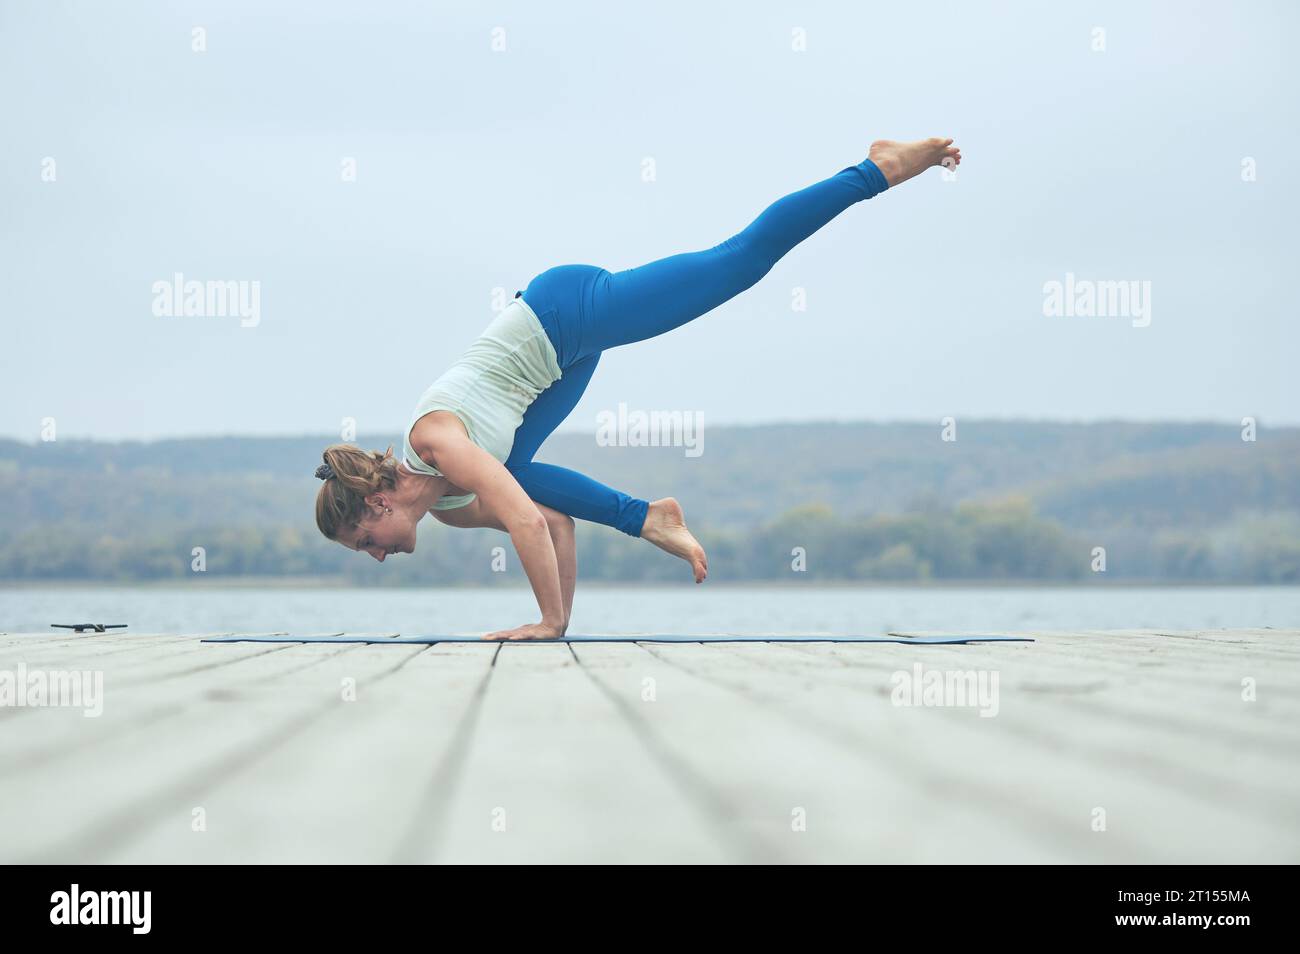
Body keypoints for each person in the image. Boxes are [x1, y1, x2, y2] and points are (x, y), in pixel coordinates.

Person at [314, 137, 962, 640]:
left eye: (365, 542)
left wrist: (541, 621)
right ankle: (652, 517)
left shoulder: (435, 442)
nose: (375, 557)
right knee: (516, 474)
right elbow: (553, 523)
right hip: (559, 366)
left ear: (376, 506)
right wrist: (557, 627)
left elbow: (521, 522)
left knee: (736, 263)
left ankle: (874, 170)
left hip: (564, 312)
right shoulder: (451, 507)